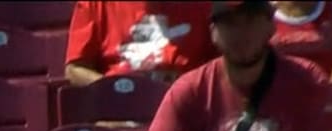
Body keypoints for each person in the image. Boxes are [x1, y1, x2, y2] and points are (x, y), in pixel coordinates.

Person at [142, 0, 332, 131]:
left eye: (251, 20)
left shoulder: (307, 78)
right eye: (229, 23)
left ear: (271, 26)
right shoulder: (192, 87)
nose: (241, 33)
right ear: (213, 32)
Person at [63, 1, 219, 85]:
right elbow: (75, 70)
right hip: (119, 115)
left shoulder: (203, 5)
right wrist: (117, 89)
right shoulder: (95, 4)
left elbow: (223, 65)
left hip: (187, 109)